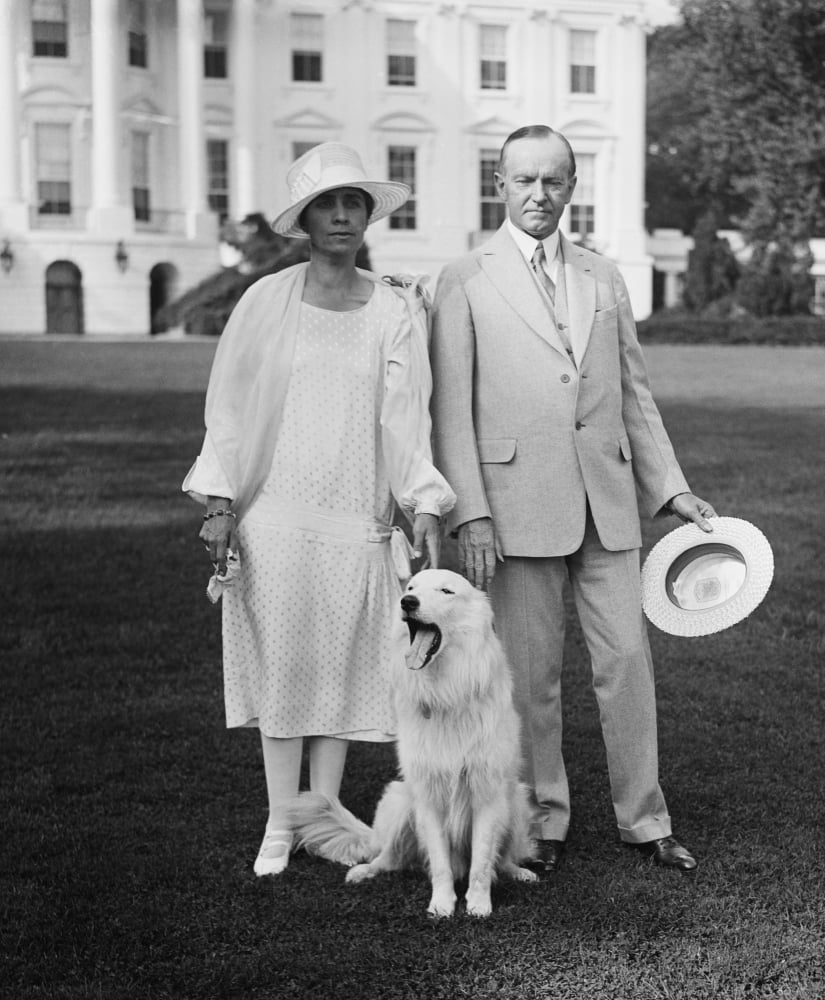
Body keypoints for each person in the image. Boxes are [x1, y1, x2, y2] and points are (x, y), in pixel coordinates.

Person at [429, 125, 717, 874]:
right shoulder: (462, 277)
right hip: (514, 502)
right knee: (530, 677)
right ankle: (542, 819)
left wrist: (671, 488)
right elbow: (449, 410)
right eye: (524, 180)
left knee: (625, 661)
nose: (539, 194)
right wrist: (472, 511)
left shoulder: (602, 275)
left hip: (610, 499)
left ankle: (645, 819)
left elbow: (632, 395)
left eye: (553, 180)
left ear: (571, 187)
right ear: (499, 185)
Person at [183, 142, 455, 877]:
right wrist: (221, 503)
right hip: (275, 513)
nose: (340, 216)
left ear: (368, 215)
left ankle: (323, 818)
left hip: (354, 516)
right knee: (284, 670)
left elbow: (408, 418)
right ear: (303, 219)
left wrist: (421, 502)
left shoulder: (395, 305)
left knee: (340, 670)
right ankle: (279, 820)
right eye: (325, 205)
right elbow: (230, 410)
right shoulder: (265, 300)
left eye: (352, 203)